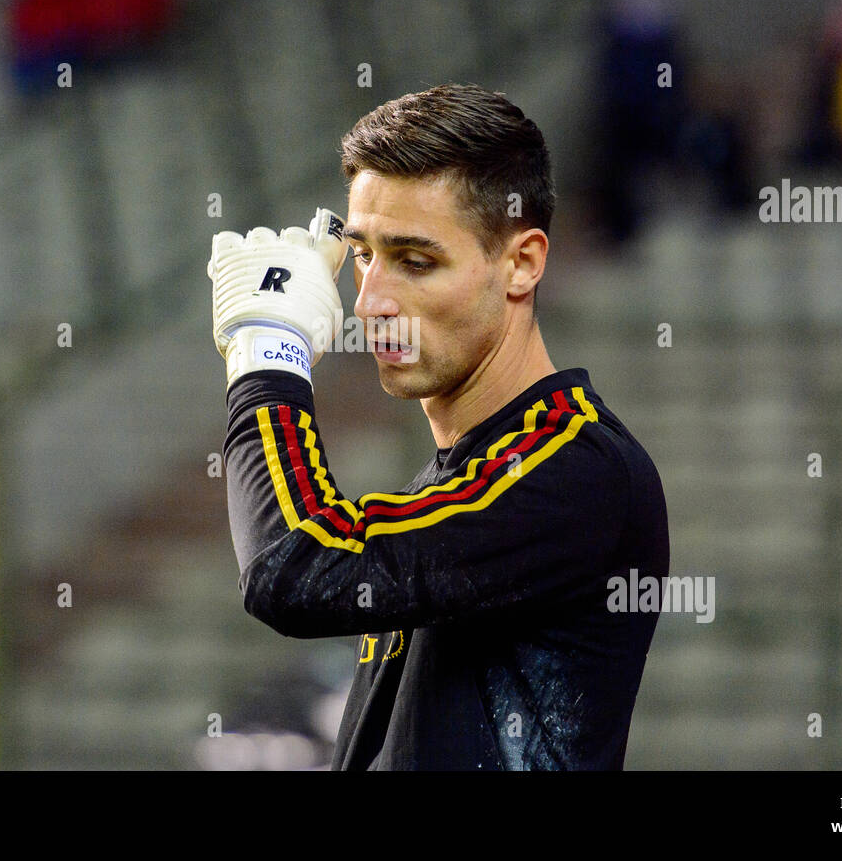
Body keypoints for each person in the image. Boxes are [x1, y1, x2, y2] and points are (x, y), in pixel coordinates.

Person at [208, 83, 670, 770]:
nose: (370, 302)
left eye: (415, 261)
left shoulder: (576, 467)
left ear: (522, 262)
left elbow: (293, 566)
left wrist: (266, 356)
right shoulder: (456, 479)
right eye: (363, 254)